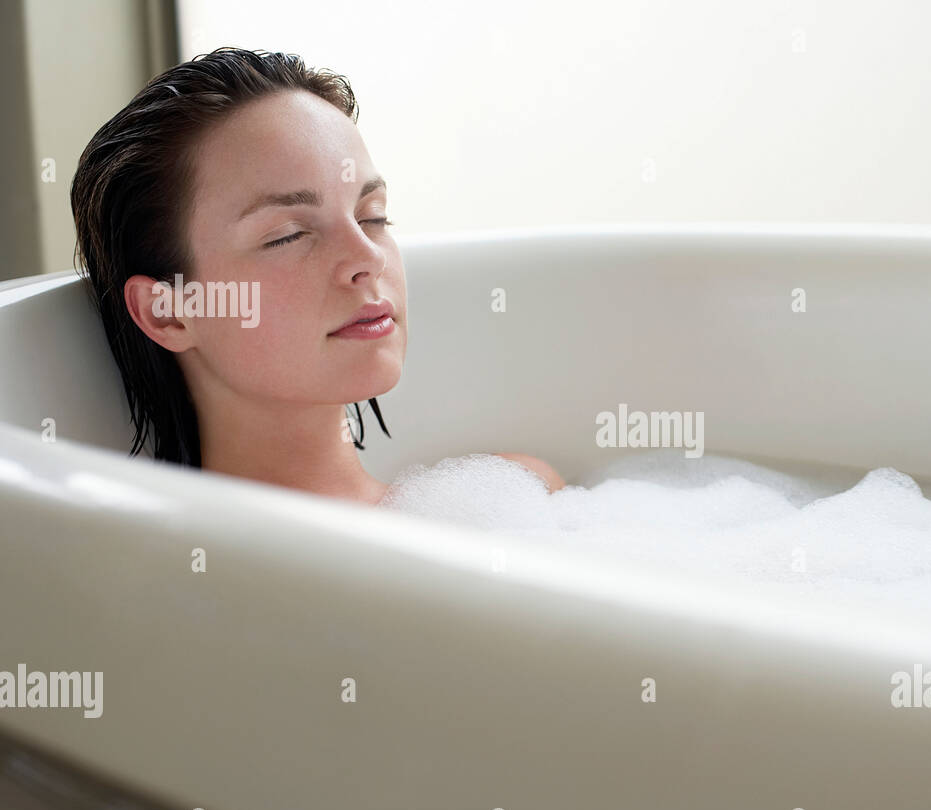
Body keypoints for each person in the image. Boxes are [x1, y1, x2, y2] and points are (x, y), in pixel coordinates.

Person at [70, 47, 564, 505]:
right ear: (170, 313)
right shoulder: (180, 582)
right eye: (287, 235)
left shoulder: (518, 496)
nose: (367, 256)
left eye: (372, 215)